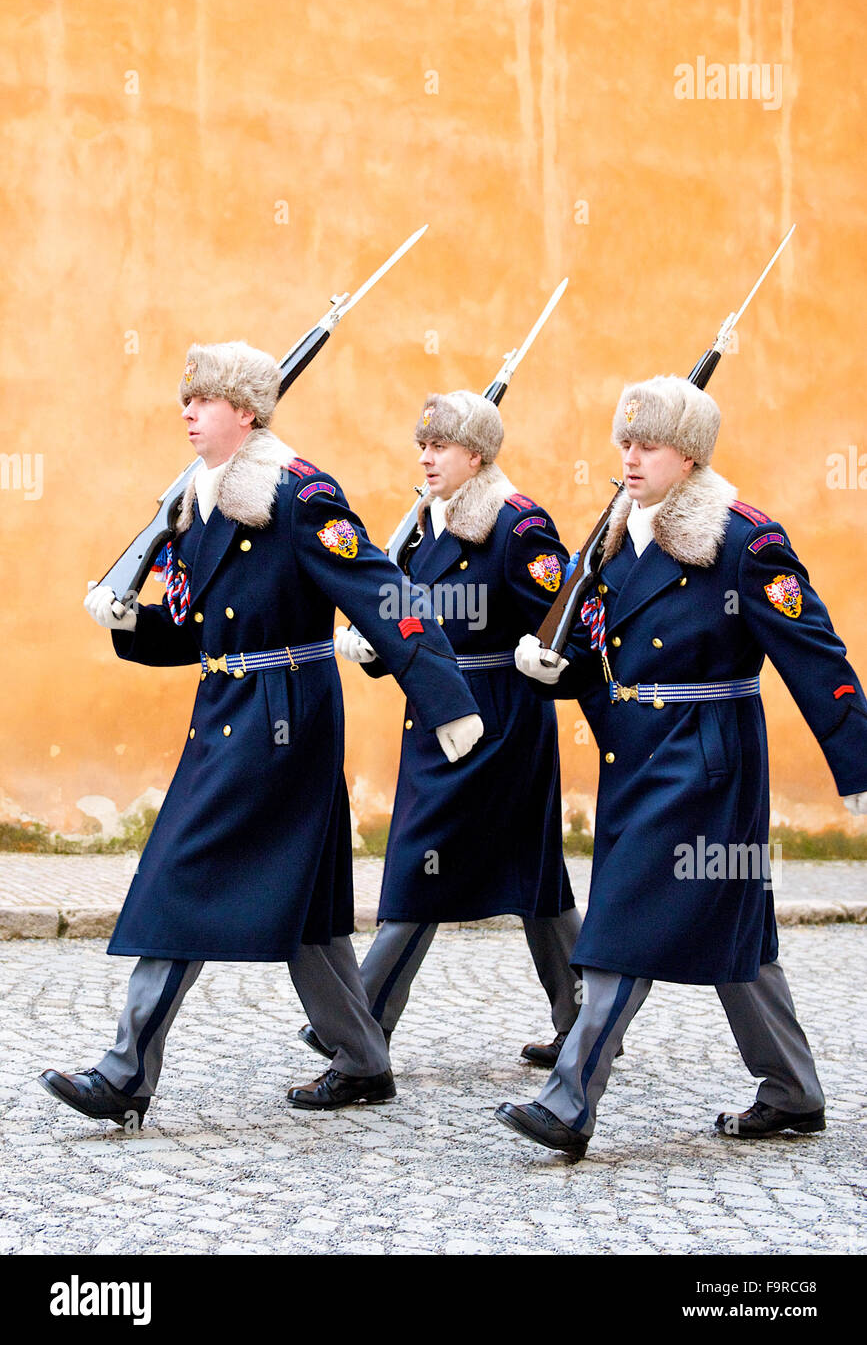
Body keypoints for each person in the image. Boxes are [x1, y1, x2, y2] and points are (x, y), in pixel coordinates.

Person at [39, 341, 483, 1129]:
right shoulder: (197, 500)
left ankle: (124, 1073)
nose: (187, 410)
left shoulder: (298, 492)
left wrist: (446, 696)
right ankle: (363, 1058)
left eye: (204, 399)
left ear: (244, 411)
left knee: (184, 875)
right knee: (306, 909)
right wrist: (129, 619)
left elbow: (383, 593)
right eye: (187, 398)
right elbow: (198, 627)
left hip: (282, 716)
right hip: (226, 710)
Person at [495, 374, 867, 1158]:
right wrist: (550, 669)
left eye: (648, 445)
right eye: (622, 443)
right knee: (736, 935)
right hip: (635, 753)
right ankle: (792, 1091)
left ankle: (569, 1103)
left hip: (706, 761)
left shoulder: (743, 539)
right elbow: (602, 653)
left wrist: (857, 761)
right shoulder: (616, 535)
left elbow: (813, 652)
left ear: (690, 457)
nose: (629, 457)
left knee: (622, 923)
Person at [300, 389, 583, 1065]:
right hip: (436, 710)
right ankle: (585, 1017)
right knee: (535, 878)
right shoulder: (427, 525)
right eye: (421, 444)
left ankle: (362, 1022)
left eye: (440, 446)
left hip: (496, 722)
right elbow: (406, 612)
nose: (424, 456)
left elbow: (568, 614)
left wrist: (543, 656)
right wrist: (376, 648)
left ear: (477, 455)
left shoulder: (517, 526)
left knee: (418, 866)